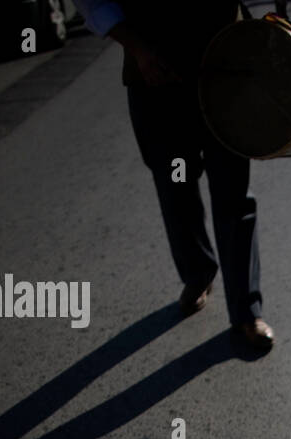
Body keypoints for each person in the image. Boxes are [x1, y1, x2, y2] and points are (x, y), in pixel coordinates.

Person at [75, 0, 275, 350]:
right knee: (175, 186)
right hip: (154, 70)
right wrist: (137, 48)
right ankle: (198, 272)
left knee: (233, 192)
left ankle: (246, 312)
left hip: (225, 64)